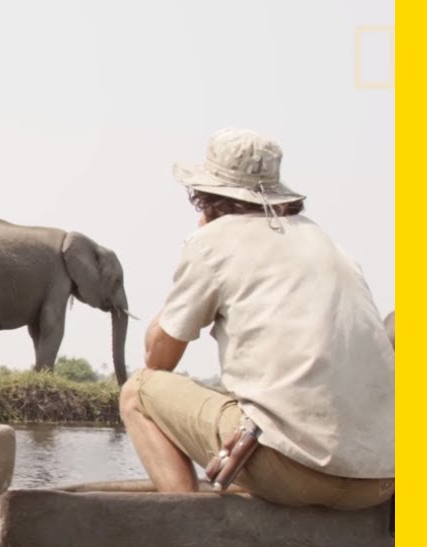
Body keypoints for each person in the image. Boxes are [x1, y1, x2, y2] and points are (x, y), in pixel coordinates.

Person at [118, 127, 394, 510]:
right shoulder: (329, 244)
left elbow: (158, 359)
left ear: (204, 197)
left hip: (297, 475)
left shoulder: (212, 242)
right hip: (381, 481)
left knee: (137, 391)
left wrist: (195, 262)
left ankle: (186, 521)